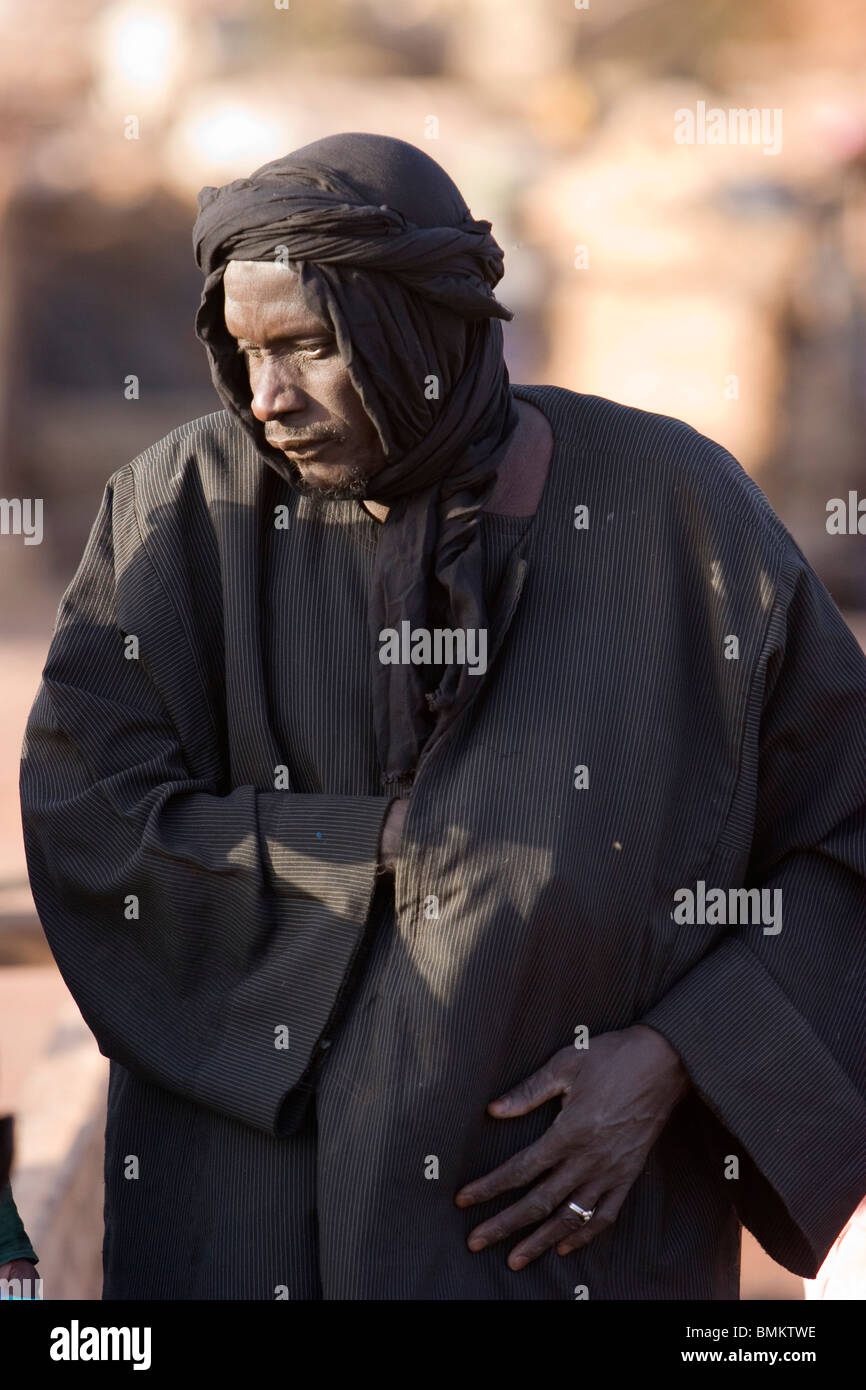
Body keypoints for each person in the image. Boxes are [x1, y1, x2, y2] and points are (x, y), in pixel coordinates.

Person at [19, 132, 866, 1300]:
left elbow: (846, 835)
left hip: (580, 1249)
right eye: (242, 351)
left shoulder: (681, 516)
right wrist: (374, 852)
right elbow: (89, 820)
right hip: (253, 1235)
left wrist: (681, 1057)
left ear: (425, 326)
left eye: (307, 347)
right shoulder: (179, 513)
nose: (265, 398)